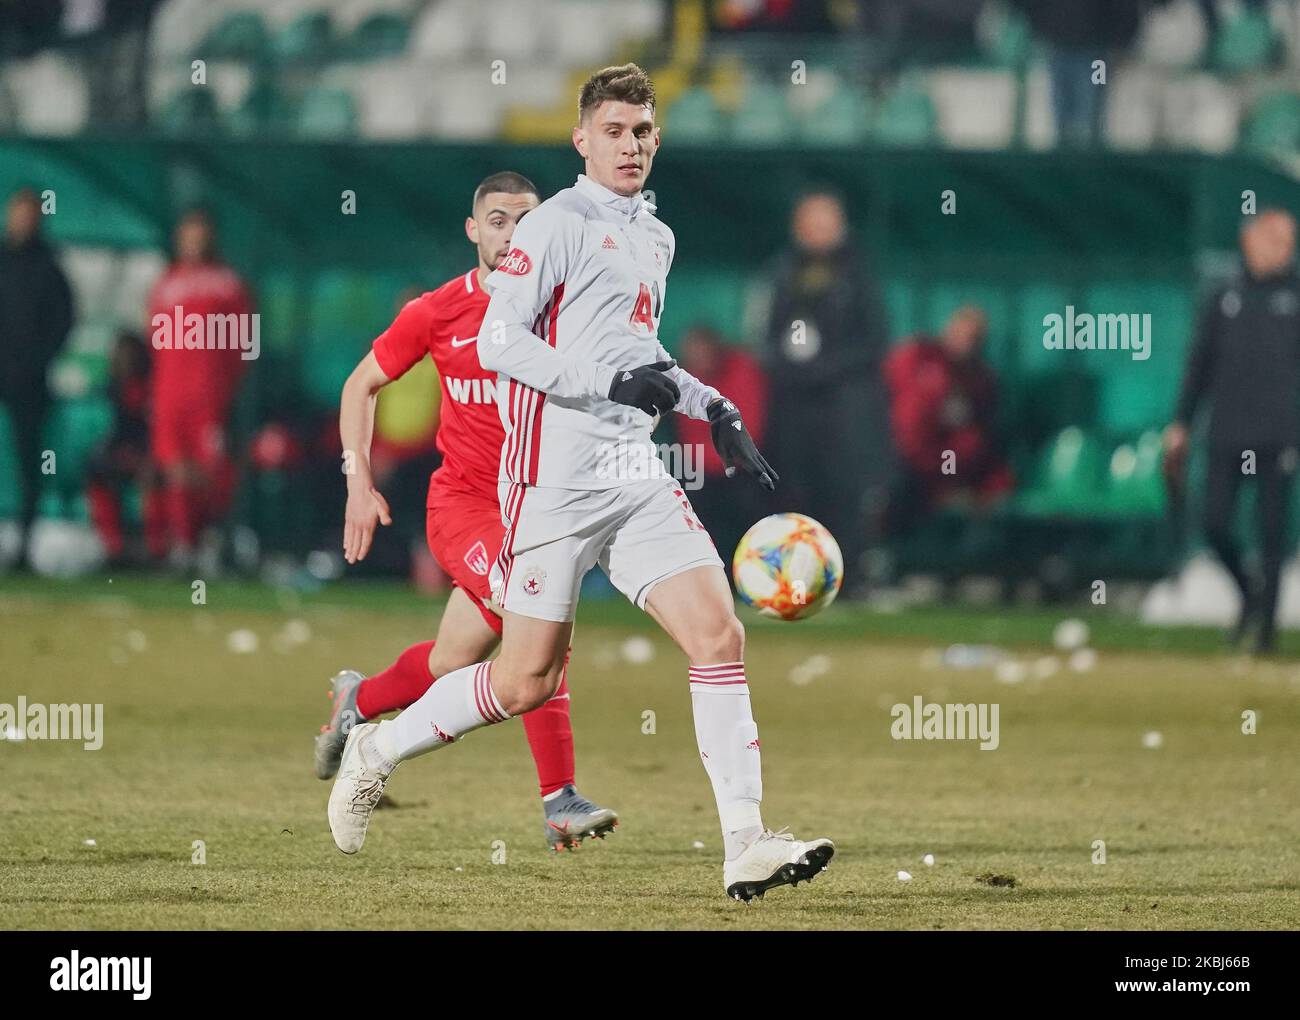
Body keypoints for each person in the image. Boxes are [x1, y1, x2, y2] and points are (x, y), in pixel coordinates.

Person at [327, 63, 834, 902]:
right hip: (551, 478)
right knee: (525, 679)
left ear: (657, 137)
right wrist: (605, 386)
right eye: (612, 131)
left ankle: (745, 843)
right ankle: (374, 750)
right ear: (581, 140)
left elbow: (645, 357)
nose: (629, 145)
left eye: (641, 131)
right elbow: (499, 340)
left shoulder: (655, 236)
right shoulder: (555, 224)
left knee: (719, 636)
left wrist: (716, 409)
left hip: (633, 469)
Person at [317, 171, 618, 851]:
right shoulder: (438, 311)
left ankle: (359, 702)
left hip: (535, 512)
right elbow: (360, 384)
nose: (514, 234)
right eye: (499, 220)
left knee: (453, 662)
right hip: (464, 507)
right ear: (474, 230)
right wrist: (357, 483)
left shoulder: (567, 312)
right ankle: (559, 798)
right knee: (536, 620)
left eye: (527, 222)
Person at [1165, 208, 1300, 654]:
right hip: (1227, 432)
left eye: (1288, 242)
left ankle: (1265, 634)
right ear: (1249, 241)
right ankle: (1248, 593)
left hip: (1280, 435)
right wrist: (1181, 422)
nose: (1284, 250)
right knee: (1215, 523)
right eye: (1275, 239)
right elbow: (1199, 364)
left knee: (1272, 535)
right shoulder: (1224, 295)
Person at [762, 187, 890, 593]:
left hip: (843, 405)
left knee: (845, 491)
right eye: (809, 222)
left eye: (825, 221)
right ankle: (796, 577)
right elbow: (767, 335)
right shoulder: (781, 272)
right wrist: (789, 367)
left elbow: (874, 340)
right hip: (793, 404)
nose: (816, 231)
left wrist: (826, 369)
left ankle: (850, 578)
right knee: (793, 489)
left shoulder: (858, 274)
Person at [146, 207, 251, 568]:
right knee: (175, 469)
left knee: (211, 472)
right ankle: (183, 546)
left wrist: (225, 386)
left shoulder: (227, 283)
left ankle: (211, 542)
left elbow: (243, 344)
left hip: (210, 397)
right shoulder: (166, 283)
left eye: (201, 233)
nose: (194, 241)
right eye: (188, 233)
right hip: (170, 397)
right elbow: (155, 343)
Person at [882, 305, 1013, 529]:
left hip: (944, 474)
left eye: (976, 339)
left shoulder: (980, 383)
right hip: (905, 470)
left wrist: (984, 488)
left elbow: (973, 444)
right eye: (965, 335)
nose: (968, 344)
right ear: (950, 330)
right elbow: (910, 432)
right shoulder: (916, 362)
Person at [0, 186, 73, 565]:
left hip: (28, 379)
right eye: (19, 211)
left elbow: (64, 321)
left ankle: (24, 547)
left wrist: (36, 358)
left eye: (31, 213)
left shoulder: (49, 268)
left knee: (31, 462)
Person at [674, 324, 770, 574]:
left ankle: (754, 572)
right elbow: (687, 438)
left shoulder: (741, 371)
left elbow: (747, 429)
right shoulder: (683, 381)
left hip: (740, 468)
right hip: (703, 471)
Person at [85, 331, 165, 563]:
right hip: (123, 454)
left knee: (154, 474)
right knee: (97, 468)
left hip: (151, 454)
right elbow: (112, 434)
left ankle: (157, 549)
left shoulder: (153, 388)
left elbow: (155, 430)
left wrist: (147, 456)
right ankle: (112, 547)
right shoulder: (112, 389)